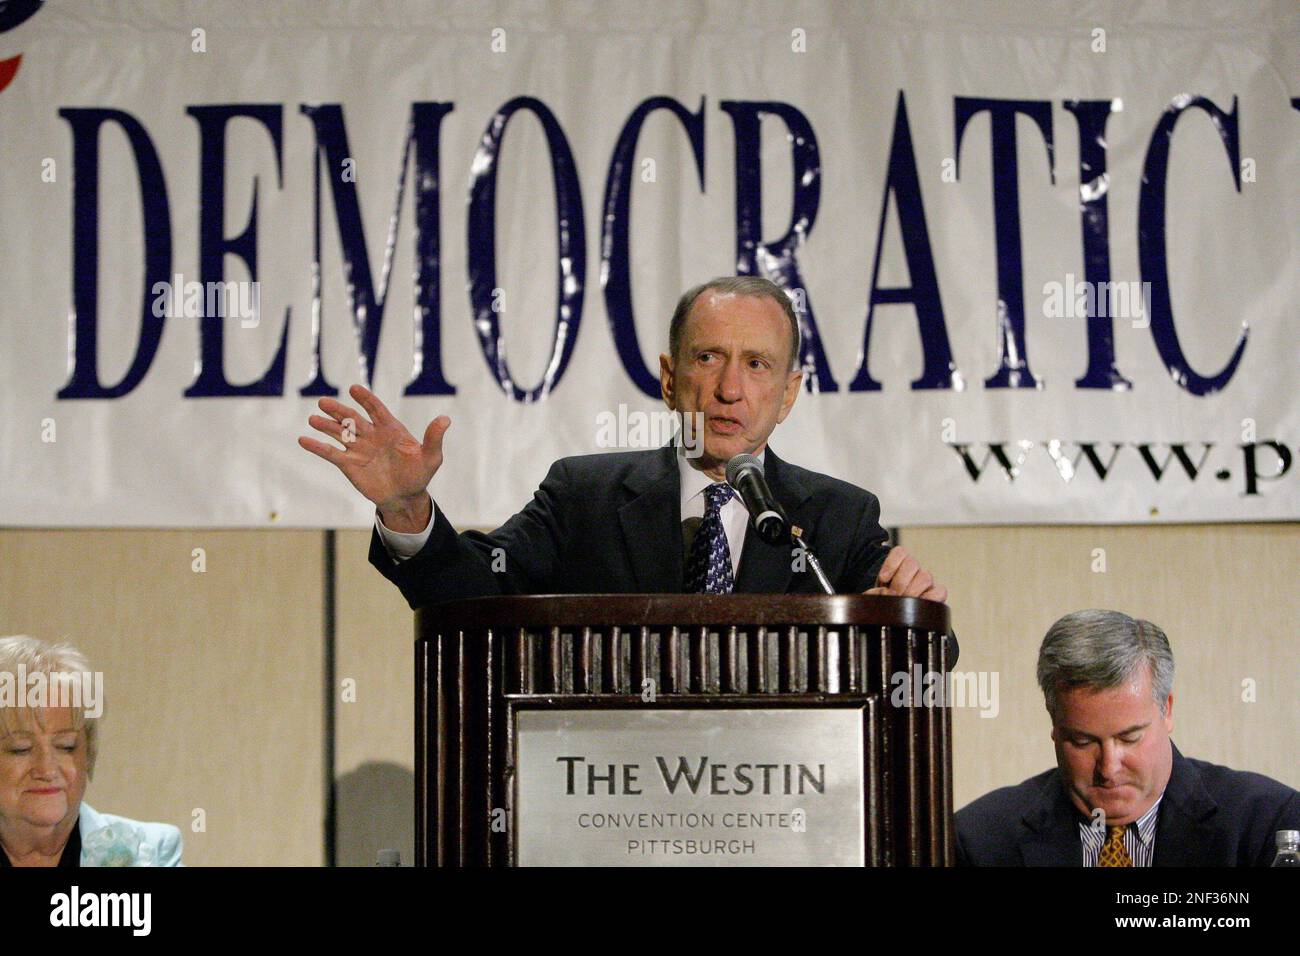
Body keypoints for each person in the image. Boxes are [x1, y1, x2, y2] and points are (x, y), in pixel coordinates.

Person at [300, 275, 948, 607]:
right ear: (669, 379)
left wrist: (909, 614)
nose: (729, 389)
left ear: (788, 392)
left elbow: (927, 661)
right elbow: (471, 596)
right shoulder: (584, 497)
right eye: (707, 358)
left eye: (757, 365)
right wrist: (408, 511)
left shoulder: (840, 517)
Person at [955, 609, 1298, 866]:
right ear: (1054, 725)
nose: (1109, 768)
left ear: (1167, 710)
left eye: (1130, 737)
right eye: (1083, 741)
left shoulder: (1270, 824)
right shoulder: (980, 840)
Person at [0, 636, 182, 867]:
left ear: (88, 754)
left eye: (66, 746)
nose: (47, 770)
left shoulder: (149, 852)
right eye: (21, 749)